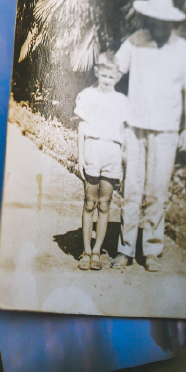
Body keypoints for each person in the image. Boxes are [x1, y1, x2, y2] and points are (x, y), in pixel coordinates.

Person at [111, 0, 186, 272]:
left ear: (171, 22)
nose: (158, 26)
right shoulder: (136, 42)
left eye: (163, 21)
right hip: (136, 127)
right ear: (149, 19)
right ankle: (125, 249)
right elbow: (114, 70)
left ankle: (151, 250)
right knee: (132, 188)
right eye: (154, 20)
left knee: (156, 191)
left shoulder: (185, 51)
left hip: (166, 131)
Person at [74, 52, 130, 271]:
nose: (107, 80)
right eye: (103, 75)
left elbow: (124, 134)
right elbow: (81, 127)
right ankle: (86, 251)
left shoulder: (121, 101)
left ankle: (97, 252)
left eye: (111, 76)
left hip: (112, 153)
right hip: (93, 149)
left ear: (117, 77)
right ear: (97, 72)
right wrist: (80, 156)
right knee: (89, 202)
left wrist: (123, 164)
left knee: (105, 204)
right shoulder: (87, 95)